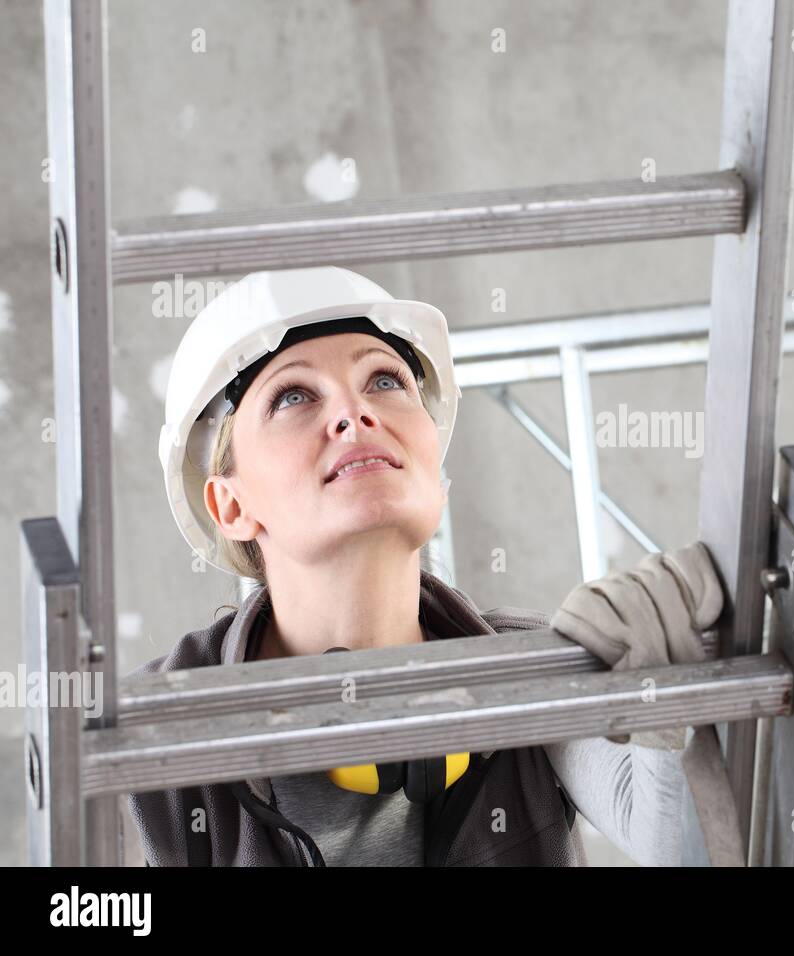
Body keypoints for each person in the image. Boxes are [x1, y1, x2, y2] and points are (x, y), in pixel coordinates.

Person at [126, 266, 724, 866]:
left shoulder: (524, 664)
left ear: (433, 467)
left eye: (385, 380)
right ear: (230, 505)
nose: (354, 412)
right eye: (294, 396)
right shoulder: (152, 730)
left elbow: (682, 847)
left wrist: (668, 697)